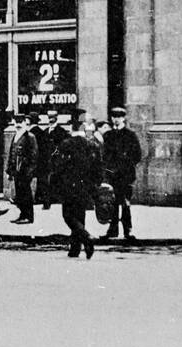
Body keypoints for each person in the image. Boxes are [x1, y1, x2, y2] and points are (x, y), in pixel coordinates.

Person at [50, 111, 100, 258]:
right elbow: (98, 167)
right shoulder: (92, 145)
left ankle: (86, 237)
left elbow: (58, 166)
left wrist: (55, 185)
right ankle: (75, 248)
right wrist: (94, 184)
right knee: (80, 215)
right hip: (85, 186)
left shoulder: (66, 144)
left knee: (68, 216)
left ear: (71, 127)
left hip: (68, 186)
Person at [101, 107, 142, 240]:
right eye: (114, 117)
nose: (116, 119)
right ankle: (112, 230)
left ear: (123, 118)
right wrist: (108, 169)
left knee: (125, 204)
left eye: (119, 117)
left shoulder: (130, 135)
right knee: (112, 203)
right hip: (112, 175)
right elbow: (104, 155)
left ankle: (127, 231)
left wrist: (127, 166)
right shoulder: (108, 135)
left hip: (126, 175)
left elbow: (137, 155)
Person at [6, 112, 39, 225]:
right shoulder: (15, 136)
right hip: (16, 171)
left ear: (25, 123)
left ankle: (29, 216)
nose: (18, 124)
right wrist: (9, 170)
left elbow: (34, 156)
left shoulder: (30, 137)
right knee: (20, 194)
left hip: (25, 171)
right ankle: (22, 215)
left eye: (20, 122)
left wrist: (30, 171)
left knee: (26, 194)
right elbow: (11, 154)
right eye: (16, 122)